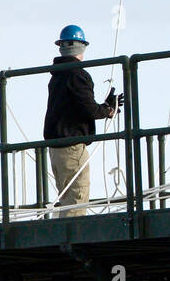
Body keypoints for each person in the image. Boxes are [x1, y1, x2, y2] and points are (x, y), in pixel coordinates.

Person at [44, 25, 121, 218]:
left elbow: (77, 106)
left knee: (65, 202)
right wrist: (108, 111)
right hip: (72, 149)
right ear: (82, 47)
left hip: (55, 148)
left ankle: (60, 241)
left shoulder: (57, 76)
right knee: (76, 204)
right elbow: (88, 108)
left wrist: (103, 108)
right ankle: (70, 244)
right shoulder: (78, 75)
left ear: (61, 47)